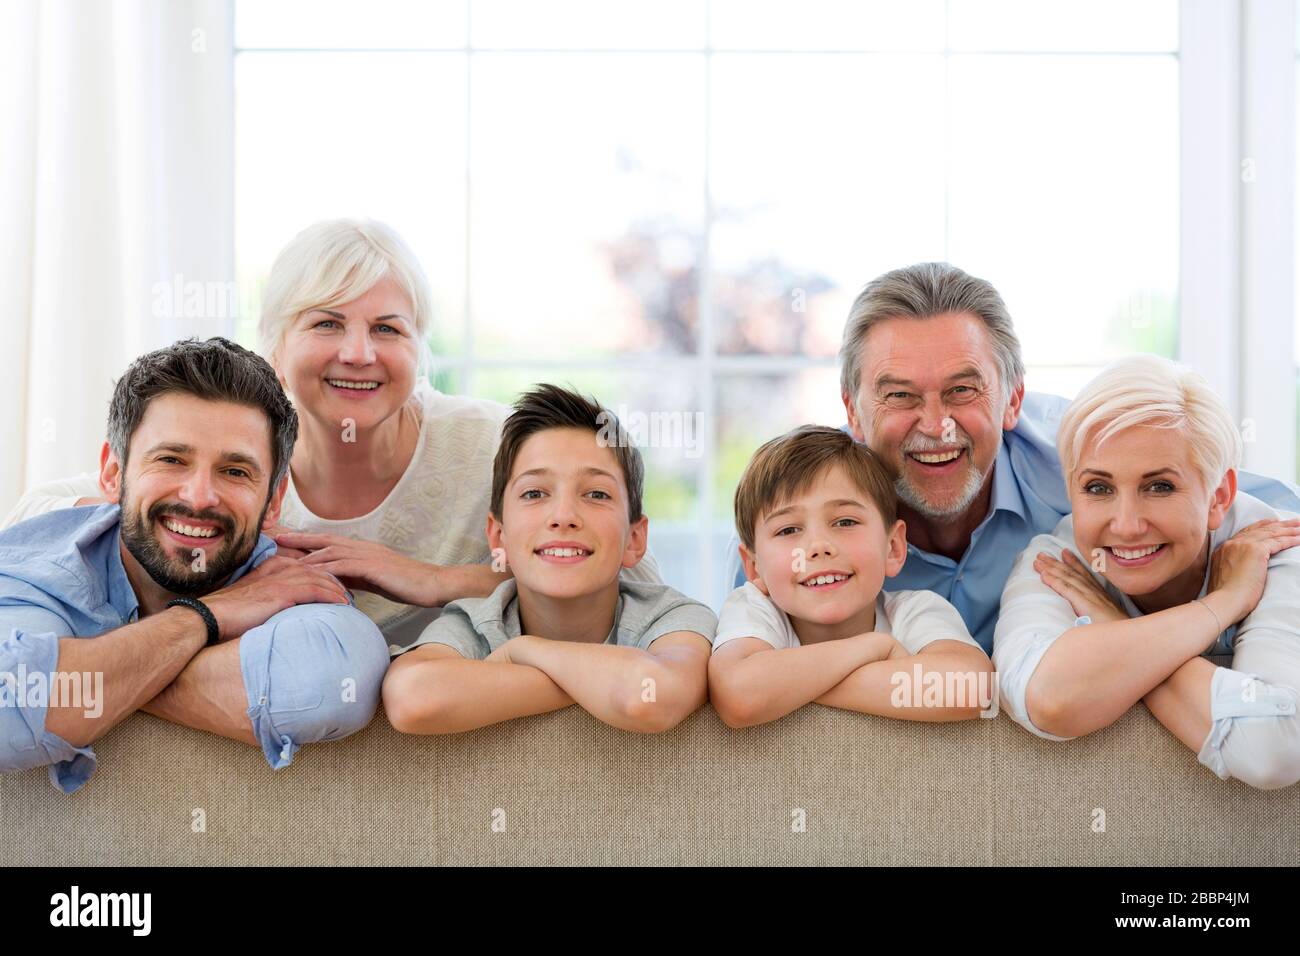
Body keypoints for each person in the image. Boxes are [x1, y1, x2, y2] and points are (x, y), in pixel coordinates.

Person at [4, 219, 663, 652]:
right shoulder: (239, 472)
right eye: (325, 324)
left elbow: (634, 587)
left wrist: (436, 580)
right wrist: (96, 524)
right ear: (274, 344)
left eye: (388, 329)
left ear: (419, 347)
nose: (358, 353)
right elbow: (38, 515)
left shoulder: (495, 448)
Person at [725, 262, 1300, 651]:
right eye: (900, 396)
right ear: (853, 410)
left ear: (1013, 399)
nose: (936, 425)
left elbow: (1261, 506)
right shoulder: (794, 524)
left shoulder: (1091, 463)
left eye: (962, 390)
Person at [0, 338, 389, 793]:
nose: (200, 496)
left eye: (235, 471)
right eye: (171, 459)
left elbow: (320, 686)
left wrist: (82, 676)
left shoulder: (293, 582)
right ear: (112, 473)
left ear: (273, 501)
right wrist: (209, 616)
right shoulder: (32, 567)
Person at [994, 355, 1300, 789]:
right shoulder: (1056, 564)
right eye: (1098, 488)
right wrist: (1223, 603)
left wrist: (1113, 630)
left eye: (1159, 487)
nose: (1127, 525)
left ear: (1218, 496)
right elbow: (1047, 698)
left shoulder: (1277, 551)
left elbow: (1273, 750)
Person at [382, 384, 715, 734]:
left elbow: (647, 698)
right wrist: (596, 682)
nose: (564, 515)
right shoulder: (476, 623)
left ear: (634, 539)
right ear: (499, 538)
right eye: (535, 493)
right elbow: (413, 699)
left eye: (596, 493)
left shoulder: (674, 617)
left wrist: (524, 652)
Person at [709, 425, 991, 728]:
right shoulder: (753, 608)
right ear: (753, 567)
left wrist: (794, 687)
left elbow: (972, 688)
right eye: (788, 530)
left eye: (845, 521)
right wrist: (873, 648)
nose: (818, 547)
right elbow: (739, 696)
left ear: (893, 548)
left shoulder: (915, 610)